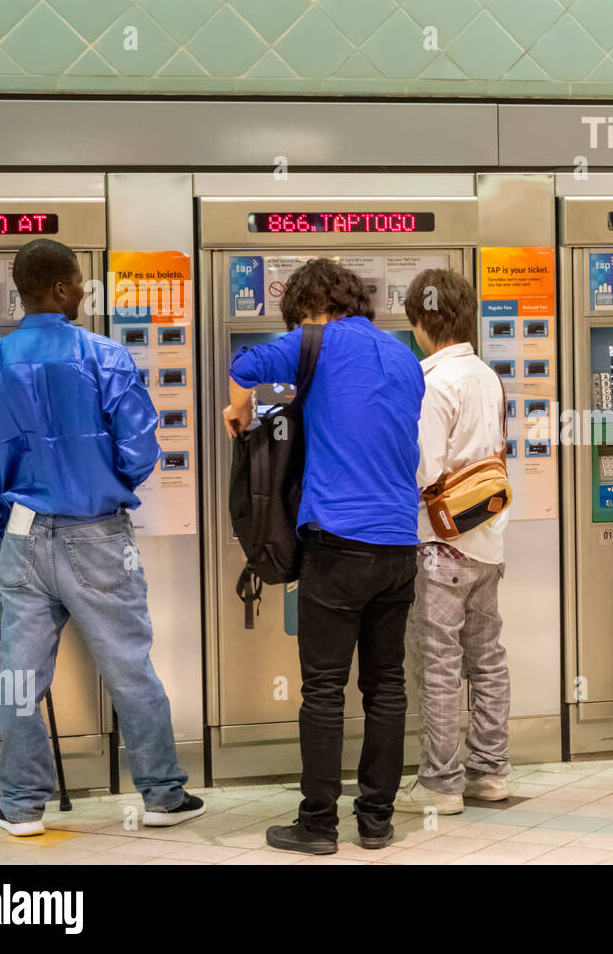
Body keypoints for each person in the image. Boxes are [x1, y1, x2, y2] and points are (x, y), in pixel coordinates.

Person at [0, 238, 204, 836]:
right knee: (129, 666)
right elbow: (141, 450)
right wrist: (105, 486)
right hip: (98, 534)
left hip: (22, 537)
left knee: (21, 676)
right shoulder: (106, 356)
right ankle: (161, 797)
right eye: (78, 283)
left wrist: (0, 526)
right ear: (64, 287)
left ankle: (20, 807)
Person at [224, 258, 423, 854]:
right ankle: (377, 820)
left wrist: (238, 412)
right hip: (398, 543)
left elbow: (245, 365)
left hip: (338, 543)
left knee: (325, 688)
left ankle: (316, 826)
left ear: (309, 310)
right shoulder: (405, 357)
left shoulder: (319, 340)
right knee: (386, 685)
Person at [393, 269, 511, 816]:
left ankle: (442, 783)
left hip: (442, 548)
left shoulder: (432, 381)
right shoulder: (487, 375)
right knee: (486, 660)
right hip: (488, 542)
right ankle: (491, 773)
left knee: (438, 664)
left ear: (423, 322)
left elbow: (424, 470)